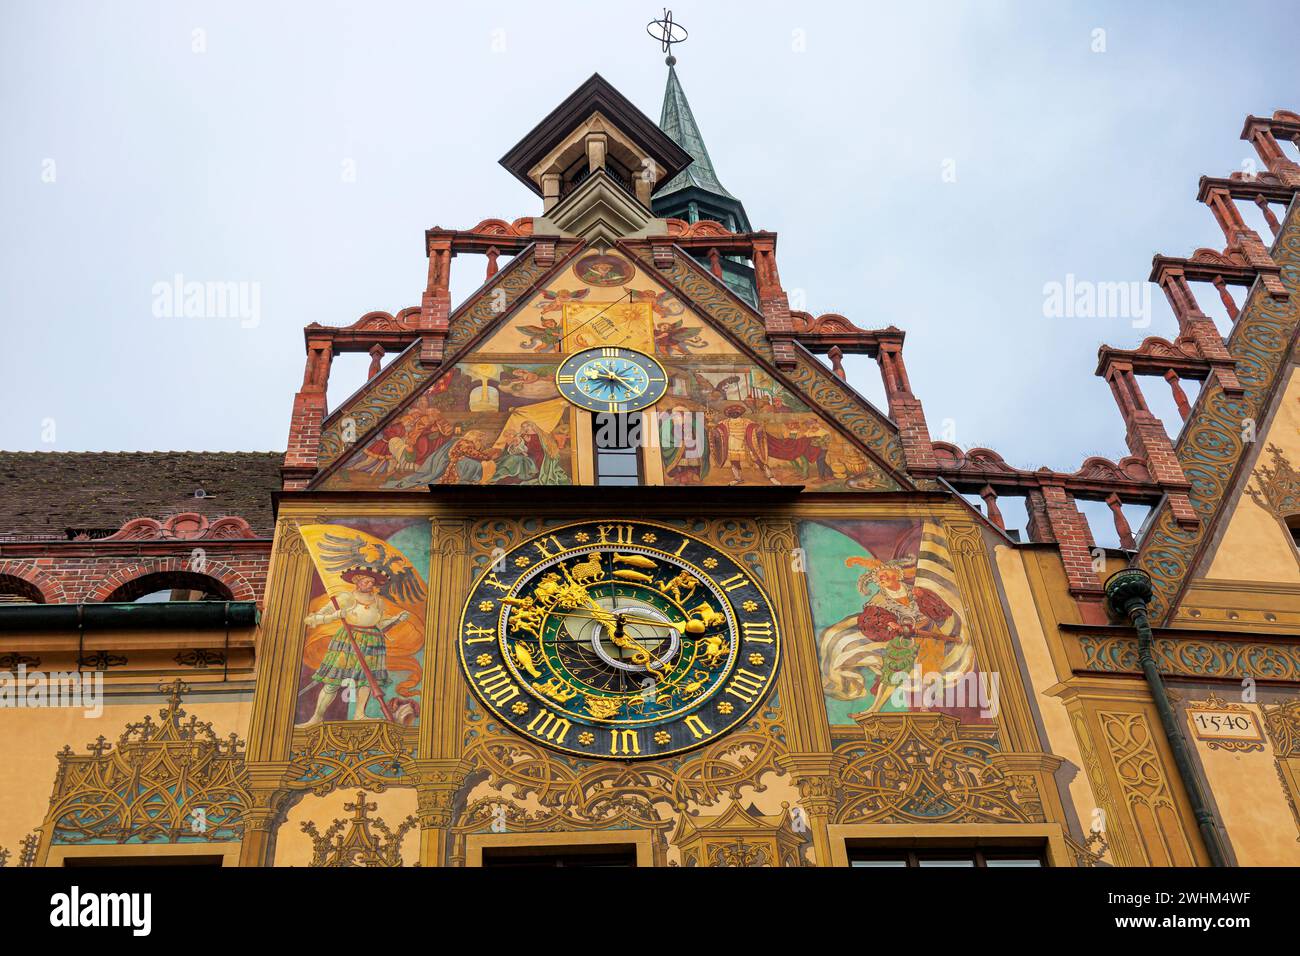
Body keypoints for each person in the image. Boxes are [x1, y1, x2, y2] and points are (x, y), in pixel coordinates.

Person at [299, 567, 410, 726]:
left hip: (372, 642)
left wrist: (397, 620)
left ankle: (360, 714)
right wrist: (335, 615)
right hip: (349, 640)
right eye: (366, 581)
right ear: (357, 581)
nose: (369, 584)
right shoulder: (345, 598)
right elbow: (312, 619)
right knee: (334, 680)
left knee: (366, 681)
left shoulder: (378, 601)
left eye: (372, 582)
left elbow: (380, 625)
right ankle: (316, 717)